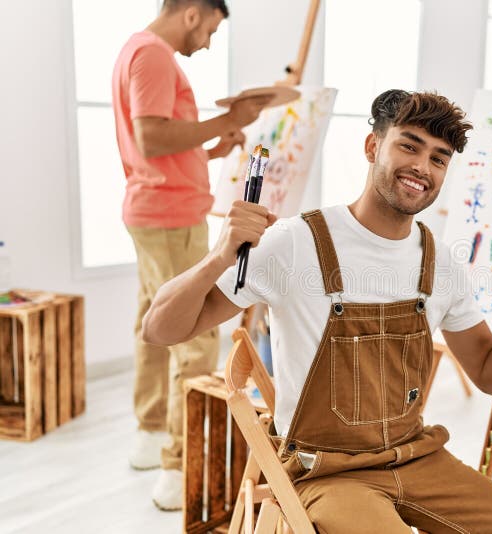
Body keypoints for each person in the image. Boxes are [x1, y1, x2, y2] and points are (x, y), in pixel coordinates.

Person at [142, 89, 492, 533]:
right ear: (373, 146)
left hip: (416, 457)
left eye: (438, 158)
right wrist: (220, 255)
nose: (423, 166)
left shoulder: (441, 264)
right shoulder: (295, 242)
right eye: (409, 146)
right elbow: (159, 329)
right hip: (327, 472)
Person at [111, 0, 270, 511]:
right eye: (211, 30)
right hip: (171, 216)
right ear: (193, 13)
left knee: (153, 319)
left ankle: (150, 432)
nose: (206, 44)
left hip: (154, 210)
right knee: (193, 335)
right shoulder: (154, 55)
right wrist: (228, 119)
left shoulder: (136, 50)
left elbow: (158, 145)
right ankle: (178, 465)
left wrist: (213, 149)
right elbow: (152, 137)